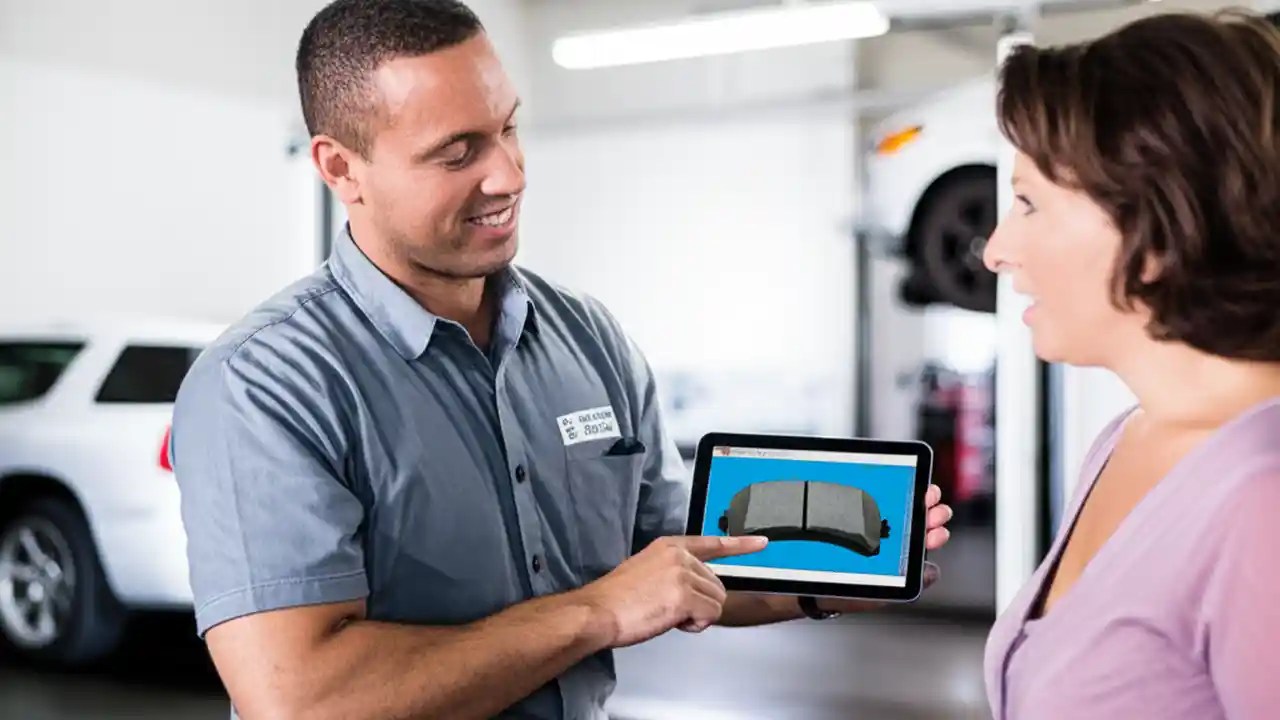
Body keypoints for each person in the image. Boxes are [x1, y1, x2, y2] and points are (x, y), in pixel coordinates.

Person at [169, 1, 953, 718]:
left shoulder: (586, 337)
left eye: (508, 128)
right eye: (456, 153)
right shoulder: (264, 385)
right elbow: (305, 700)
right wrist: (596, 613)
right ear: (341, 168)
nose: (508, 174)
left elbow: (673, 561)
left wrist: (838, 578)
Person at [981, 10, 1280, 719]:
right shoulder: (1126, 437)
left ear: (1158, 228)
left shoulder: (1263, 506)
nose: (995, 250)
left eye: (1028, 203)